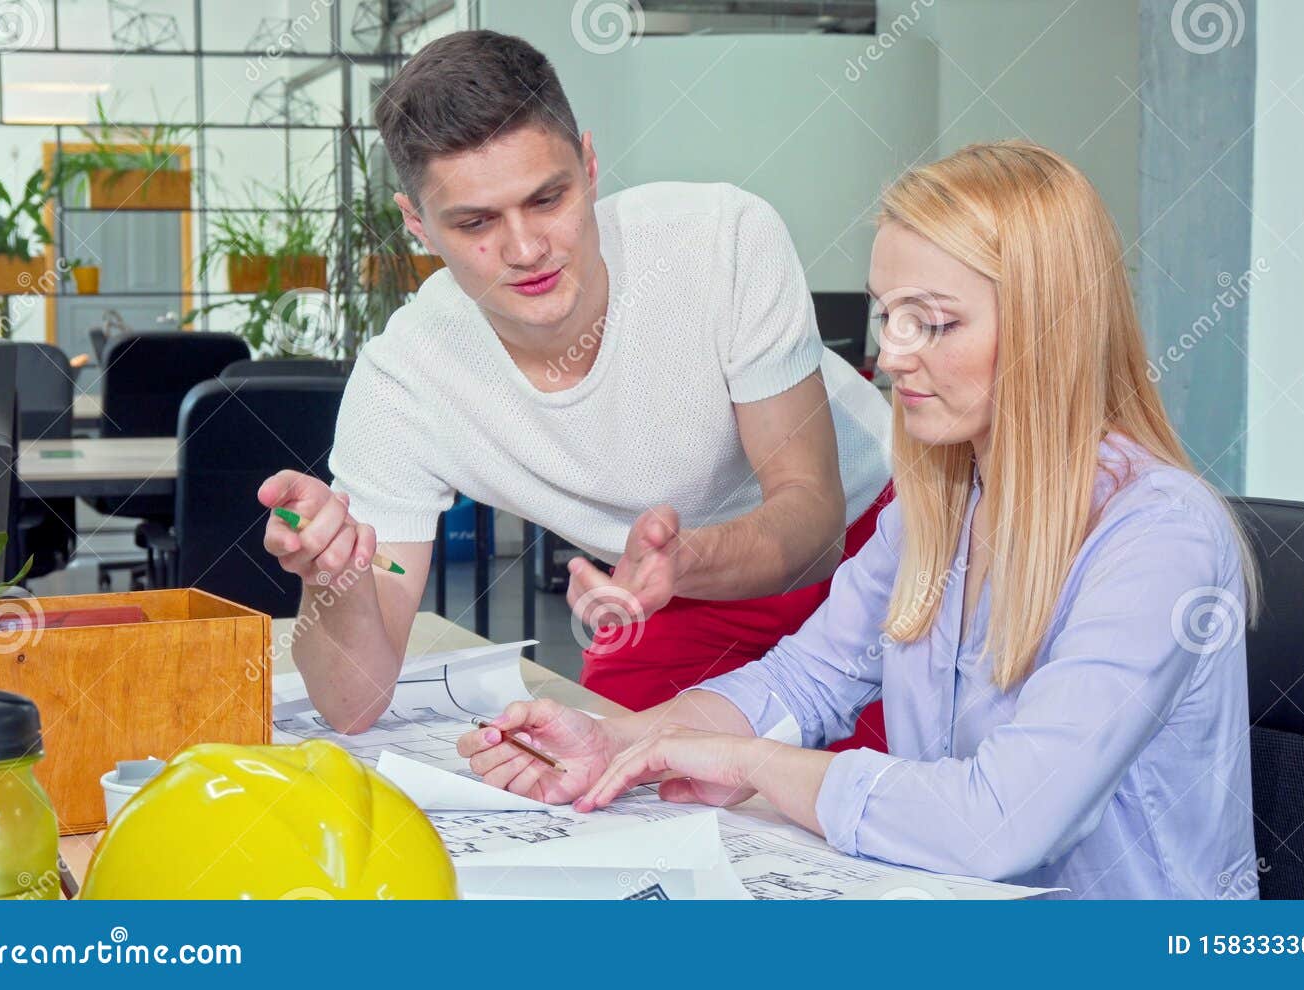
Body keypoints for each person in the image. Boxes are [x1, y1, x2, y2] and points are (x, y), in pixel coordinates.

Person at [458, 141, 1262, 898]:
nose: (892, 353)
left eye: (935, 322)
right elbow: (804, 678)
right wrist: (624, 745)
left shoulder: (1158, 538)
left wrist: (751, 763)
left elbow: (1000, 823)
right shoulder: (937, 512)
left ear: (1051, 328)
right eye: (889, 314)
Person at [257, 31, 892, 740]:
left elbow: (816, 526)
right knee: (606, 773)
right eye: (476, 223)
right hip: (667, 589)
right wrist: (330, 574)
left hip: (873, 536)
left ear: (589, 167)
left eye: (548, 199)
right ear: (419, 226)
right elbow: (353, 704)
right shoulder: (403, 381)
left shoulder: (722, 239)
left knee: (873, 798)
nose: (526, 250)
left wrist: (688, 560)